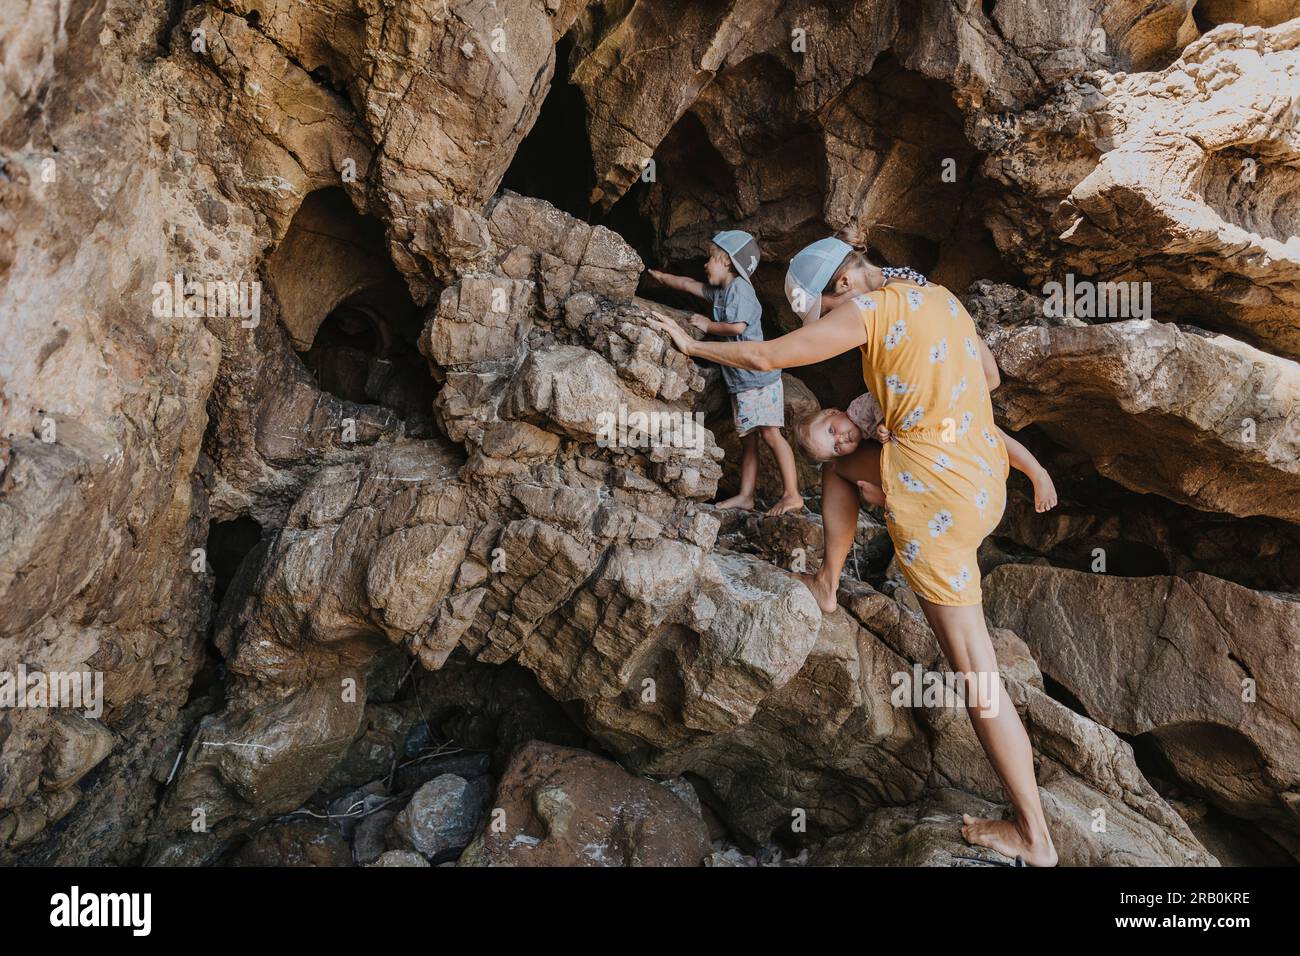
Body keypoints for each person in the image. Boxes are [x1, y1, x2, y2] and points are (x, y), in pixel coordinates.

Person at [646, 238, 1058, 867]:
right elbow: (990, 377)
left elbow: (768, 354)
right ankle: (829, 584)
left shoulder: (867, 311)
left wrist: (691, 344)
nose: (832, 325)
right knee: (839, 471)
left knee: (977, 670)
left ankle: (1035, 836)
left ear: (840, 288)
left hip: (933, 496)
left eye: (825, 312)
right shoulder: (936, 297)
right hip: (981, 481)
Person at [647, 231, 804, 515]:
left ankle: (792, 493)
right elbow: (687, 284)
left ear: (727, 262)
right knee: (749, 441)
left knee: (771, 435)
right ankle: (746, 496)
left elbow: (737, 328)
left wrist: (707, 326)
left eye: (710, 259)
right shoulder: (720, 291)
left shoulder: (740, 289)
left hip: (759, 379)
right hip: (741, 382)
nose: (705, 265)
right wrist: (658, 277)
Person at [795, 390, 1060, 513]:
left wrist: (885, 422)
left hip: (935, 415)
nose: (840, 439)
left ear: (833, 412)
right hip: (931, 435)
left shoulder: (855, 409)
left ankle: (1037, 472)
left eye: (832, 431)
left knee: (990, 433)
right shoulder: (860, 431)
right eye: (836, 448)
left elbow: (880, 398)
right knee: (984, 439)